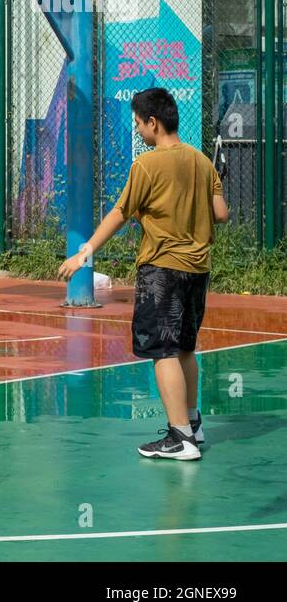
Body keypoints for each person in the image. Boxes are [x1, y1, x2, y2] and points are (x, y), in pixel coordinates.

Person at [58, 87, 228, 460]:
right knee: (185, 347)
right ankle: (193, 424)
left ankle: (180, 436)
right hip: (198, 269)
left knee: (163, 351)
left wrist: (84, 252)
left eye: (138, 123)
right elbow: (220, 213)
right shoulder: (202, 162)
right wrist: (211, 184)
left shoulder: (146, 165)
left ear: (153, 123)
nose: (137, 130)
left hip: (162, 270)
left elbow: (120, 213)